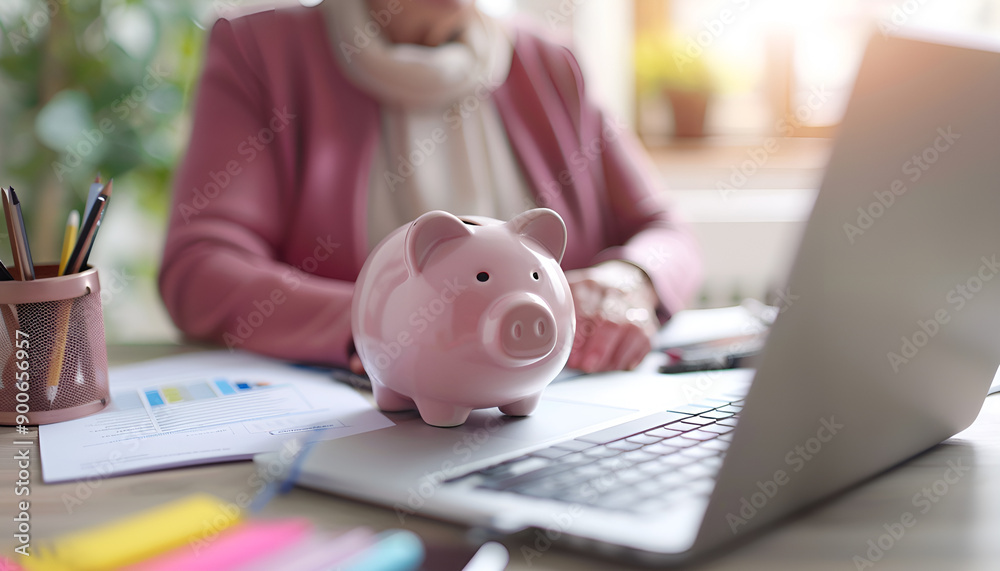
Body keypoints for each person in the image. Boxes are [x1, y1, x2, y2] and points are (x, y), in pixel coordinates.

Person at [159, 0, 701, 374]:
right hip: (365, 424)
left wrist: (630, 278)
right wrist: (382, 320)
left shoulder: (553, 65)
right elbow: (200, 267)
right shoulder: (262, 52)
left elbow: (666, 232)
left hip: (556, 412)